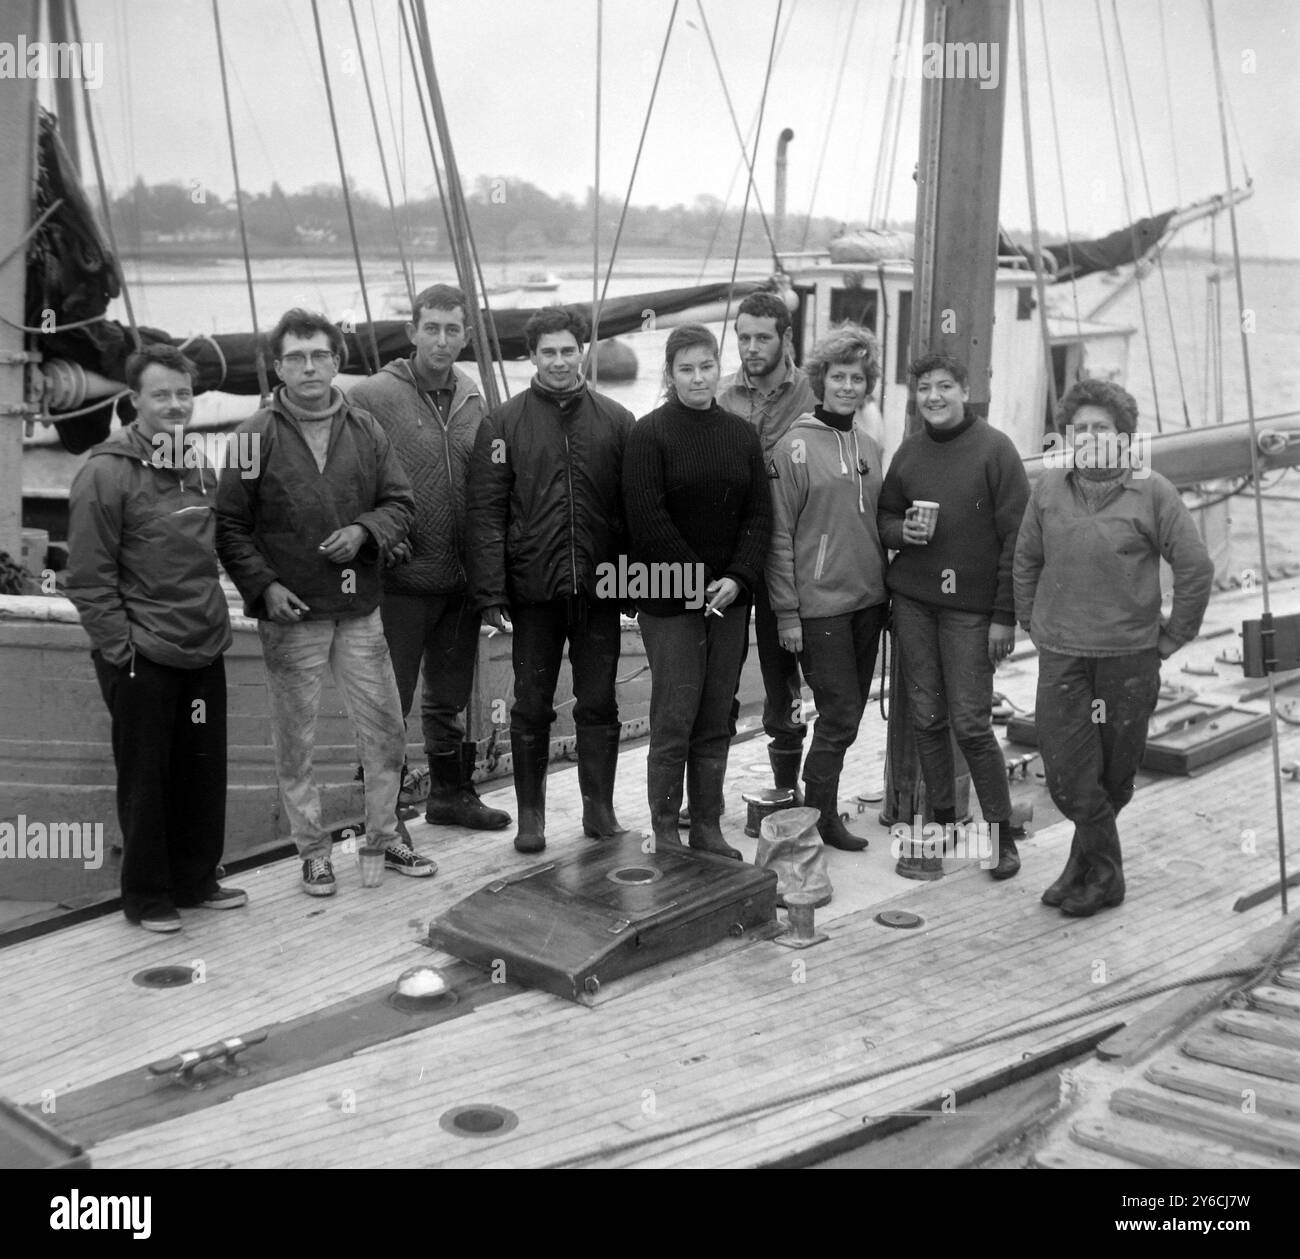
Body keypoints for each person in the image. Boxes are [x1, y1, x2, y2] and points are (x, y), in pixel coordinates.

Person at [216, 308, 424, 897]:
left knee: (384, 727)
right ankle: (313, 851)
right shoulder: (254, 436)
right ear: (278, 366)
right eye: (295, 357)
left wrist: (364, 531)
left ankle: (385, 837)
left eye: (319, 355)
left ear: (337, 361)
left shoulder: (365, 429)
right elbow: (229, 525)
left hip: (359, 610)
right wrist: (264, 587)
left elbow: (401, 503)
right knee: (296, 738)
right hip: (292, 613)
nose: (309, 367)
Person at [1015, 379, 1213, 917]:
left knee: (1112, 778)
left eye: (1101, 427)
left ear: (1123, 435)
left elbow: (1195, 568)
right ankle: (1108, 875)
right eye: (1079, 427)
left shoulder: (1153, 491)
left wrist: (1174, 637)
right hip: (1062, 653)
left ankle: (1084, 871)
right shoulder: (1049, 488)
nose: (1089, 435)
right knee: (1065, 773)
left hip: (1128, 659)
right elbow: (1027, 558)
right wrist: (1029, 620)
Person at [66, 344, 244, 932]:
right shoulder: (104, 472)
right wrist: (121, 650)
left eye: (184, 394)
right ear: (134, 401)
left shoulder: (197, 463)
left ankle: (196, 880)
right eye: (161, 394)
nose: (175, 404)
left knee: (200, 766)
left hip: (202, 645)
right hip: (143, 654)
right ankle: (146, 897)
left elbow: (212, 548)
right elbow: (88, 578)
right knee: (147, 777)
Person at [466, 307, 635, 853]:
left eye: (568, 350)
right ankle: (531, 818)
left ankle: (599, 811)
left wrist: (633, 582)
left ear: (582, 350)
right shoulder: (502, 425)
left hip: (599, 591)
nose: (559, 361)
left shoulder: (617, 421)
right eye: (548, 352)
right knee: (531, 704)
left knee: (599, 702)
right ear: (531, 357)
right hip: (533, 591)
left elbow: (633, 512)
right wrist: (491, 590)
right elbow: (486, 512)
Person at [348, 284, 510, 833]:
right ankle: (382, 813)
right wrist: (377, 533)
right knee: (387, 702)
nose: (442, 340)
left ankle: (451, 795)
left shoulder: (472, 396)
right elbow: (345, 477)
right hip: (399, 581)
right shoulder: (373, 396)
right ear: (412, 330)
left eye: (453, 330)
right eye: (432, 328)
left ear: (467, 335)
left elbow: (490, 486)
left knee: (449, 699)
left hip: (460, 582)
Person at [878, 353, 1029, 880]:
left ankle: (1002, 836)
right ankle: (942, 823)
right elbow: (884, 516)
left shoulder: (995, 450)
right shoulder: (909, 452)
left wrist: (1004, 616)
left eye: (945, 386)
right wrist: (901, 534)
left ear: (965, 390)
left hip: (971, 612)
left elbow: (1018, 540)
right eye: (924, 389)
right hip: (915, 603)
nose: (934, 397)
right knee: (925, 718)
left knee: (970, 723)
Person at [624, 324, 771, 858]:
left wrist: (736, 577)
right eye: (685, 368)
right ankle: (665, 828)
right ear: (669, 374)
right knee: (675, 714)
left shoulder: (741, 434)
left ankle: (706, 825)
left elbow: (759, 515)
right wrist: (698, 580)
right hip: (669, 600)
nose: (698, 378)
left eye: (706, 366)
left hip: (728, 599)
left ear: (719, 367)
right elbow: (648, 517)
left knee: (716, 714)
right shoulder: (649, 434)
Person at [768, 325, 887, 852]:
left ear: (867, 386)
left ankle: (817, 807)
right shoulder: (793, 446)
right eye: (838, 376)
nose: (847, 386)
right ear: (821, 380)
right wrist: (787, 615)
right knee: (838, 715)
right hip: (821, 609)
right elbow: (777, 537)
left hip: (869, 603)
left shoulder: (871, 446)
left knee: (851, 714)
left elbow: (875, 523)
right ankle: (817, 815)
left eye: (857, 378)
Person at [717, 291, 817, 805]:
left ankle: (786, 791)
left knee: (784, 685)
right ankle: (704, 794)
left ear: (786, 339)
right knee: (720, 680)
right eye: (743, 337)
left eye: (762, 337)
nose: (751, 348)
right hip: (732, 560)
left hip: (787, 559)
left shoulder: (814, 395)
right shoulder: (718, 396)